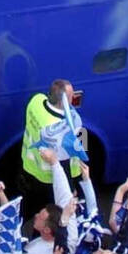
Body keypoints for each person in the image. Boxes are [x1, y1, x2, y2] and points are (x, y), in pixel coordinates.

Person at [19, 78, 84, 217]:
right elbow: (65, 163)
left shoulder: (36, 101)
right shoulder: (63, 129)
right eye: (71, 96)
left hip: (29, 167)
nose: (74, 98)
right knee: (50, 216)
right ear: (63, 102)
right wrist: (71, 189)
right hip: (49, 180)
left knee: (34, 211)